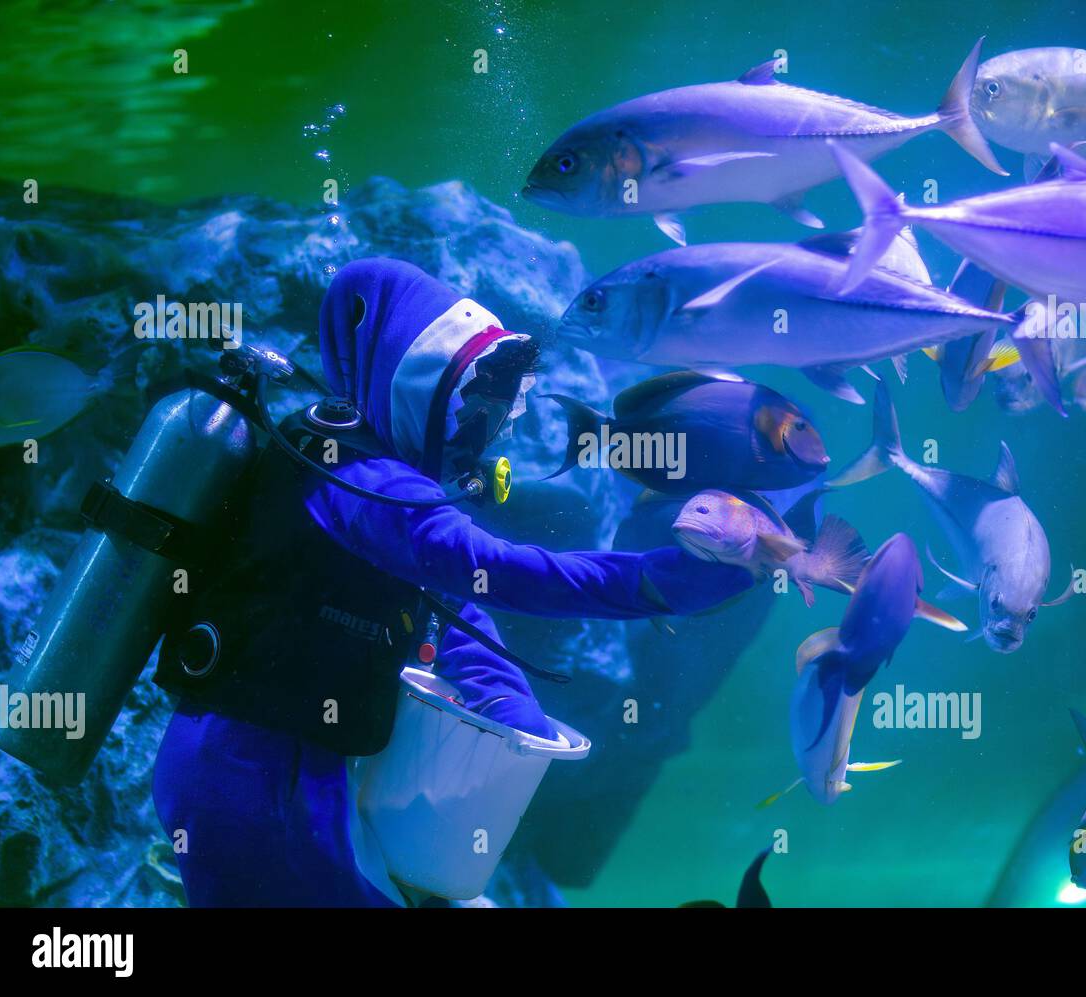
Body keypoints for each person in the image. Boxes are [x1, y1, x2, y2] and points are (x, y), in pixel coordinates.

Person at [151, 258, 752, 907]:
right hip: (247, 777)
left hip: (275, 776)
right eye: (471, 408)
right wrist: (655, 582)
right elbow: (503, 573)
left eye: (492, 414)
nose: (483, 436)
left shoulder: (374, 476)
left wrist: (514, 717)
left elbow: (451, 615)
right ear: (414, 386)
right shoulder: (367, 485)